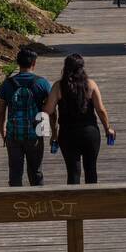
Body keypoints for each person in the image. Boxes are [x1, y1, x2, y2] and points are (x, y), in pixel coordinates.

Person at [43, 53, 113, 184]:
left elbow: (48, 110)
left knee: (73, 172)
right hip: (90, 133)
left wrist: (53, 133)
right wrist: (108, 128)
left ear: (66, 68)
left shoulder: (59, 86)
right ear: (82, 67)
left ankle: (75, 202)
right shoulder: (91, 85)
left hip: (67, 134)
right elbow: (101, 110)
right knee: (91, 169)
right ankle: (92, 201)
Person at [0, 48, 54, 187]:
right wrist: (53, 131)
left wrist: (3, 131)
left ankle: (16, 203)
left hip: (13, 134)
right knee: (36, 172)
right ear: (34, 63)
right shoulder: (42, 83)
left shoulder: (7, 84)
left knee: (15, 172)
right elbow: (52, 111)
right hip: (36, 133)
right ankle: (38, 202)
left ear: (18, 63)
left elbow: (0, 112)